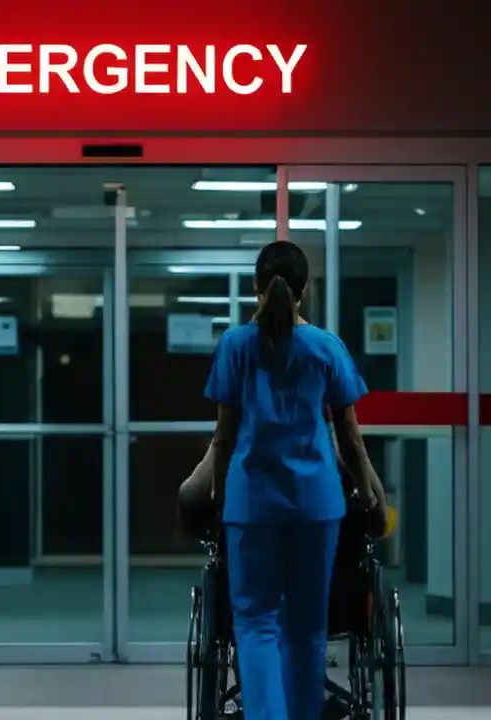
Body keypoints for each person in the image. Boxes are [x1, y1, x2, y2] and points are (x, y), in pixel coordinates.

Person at [202, 240, 384, 720]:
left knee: (256, 623)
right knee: (307, 628)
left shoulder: (236, 345)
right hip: (315, 504)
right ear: (306, 290)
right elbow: (349, 435)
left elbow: (225, 435)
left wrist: (220, 495)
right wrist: (366, 491)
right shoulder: (326, 347)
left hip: (252, 504)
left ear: (255, 287)